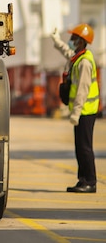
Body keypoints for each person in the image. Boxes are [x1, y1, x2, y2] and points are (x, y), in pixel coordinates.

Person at [51, 23, 100, 193]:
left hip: (86, 111)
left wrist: (76, 113)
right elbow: (67, 52)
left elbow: (82, 90)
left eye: (73, 38)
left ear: (81, 41)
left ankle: (90, 182)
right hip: (82, 111)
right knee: (80, 147)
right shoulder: (78, 57)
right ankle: (82, 179)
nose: (70, 40)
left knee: (85, 147)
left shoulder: (85, 63)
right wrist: (57, 41)